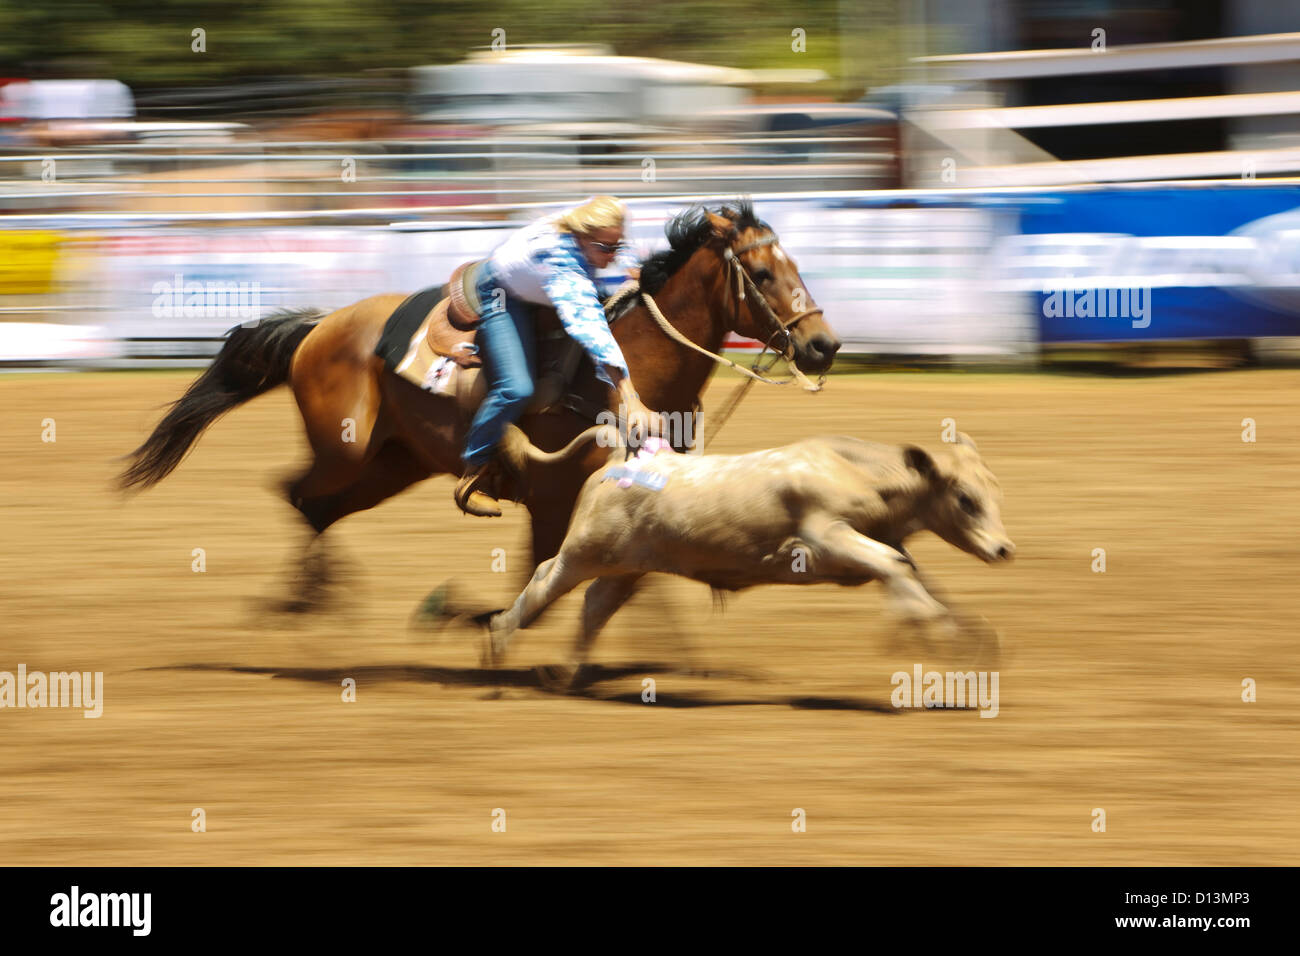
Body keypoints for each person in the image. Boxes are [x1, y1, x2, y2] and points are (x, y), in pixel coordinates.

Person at [455, 195, 658, 517]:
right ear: (581, 237)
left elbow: (614, 238)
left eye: (615, 247)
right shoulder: (564, 268)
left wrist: (630, 261)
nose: (610, 256)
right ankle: (474, 469)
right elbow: (591, 330)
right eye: (604, 249)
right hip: (501, 292)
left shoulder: (595, 223)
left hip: (534, 275)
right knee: (515, 389)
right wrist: (629, 397)